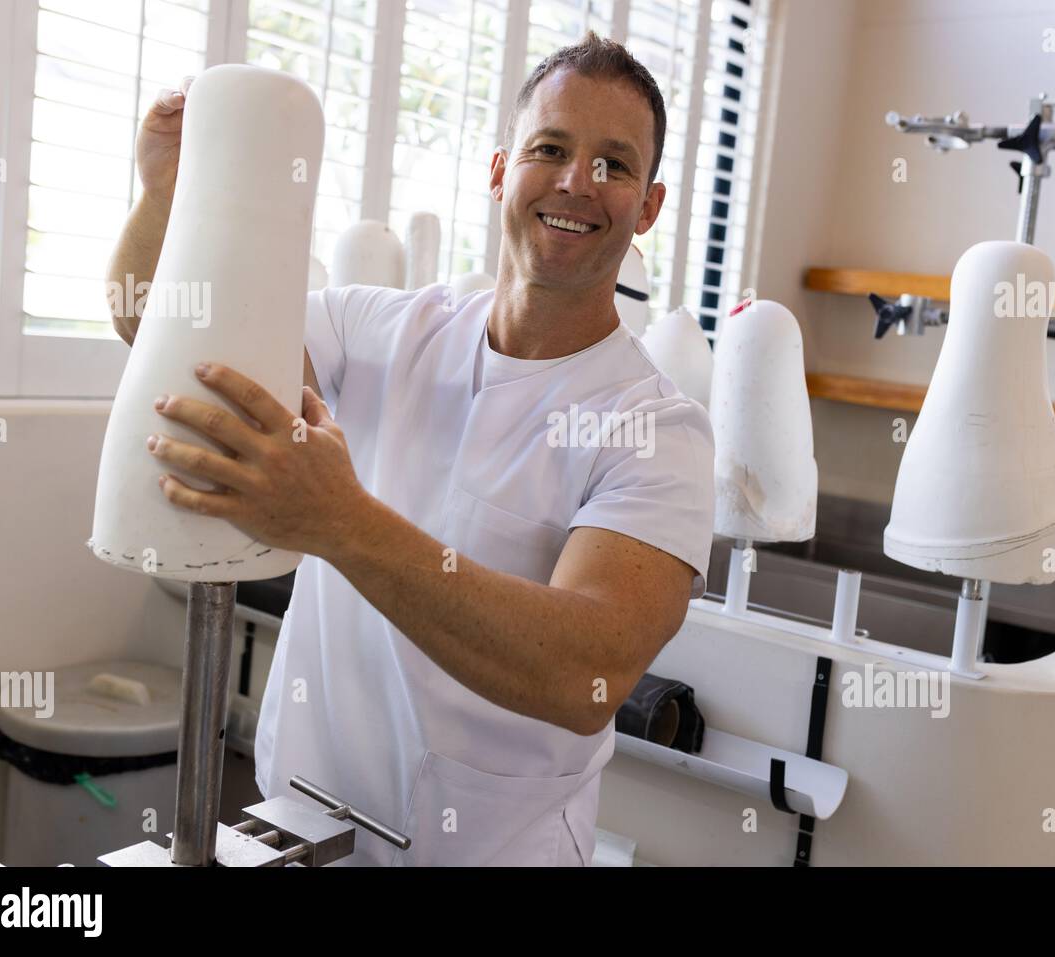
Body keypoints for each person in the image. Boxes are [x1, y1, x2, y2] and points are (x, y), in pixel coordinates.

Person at [107, 31, 714, 866]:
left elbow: (589, 675)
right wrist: (167, 198)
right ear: (502, 171)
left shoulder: (658, 430)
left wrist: (343, 522)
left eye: (615, 162)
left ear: (648, 206)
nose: (579, 181)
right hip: (296, 825)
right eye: (551, 149)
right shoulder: (378, 328)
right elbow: (162, 337)